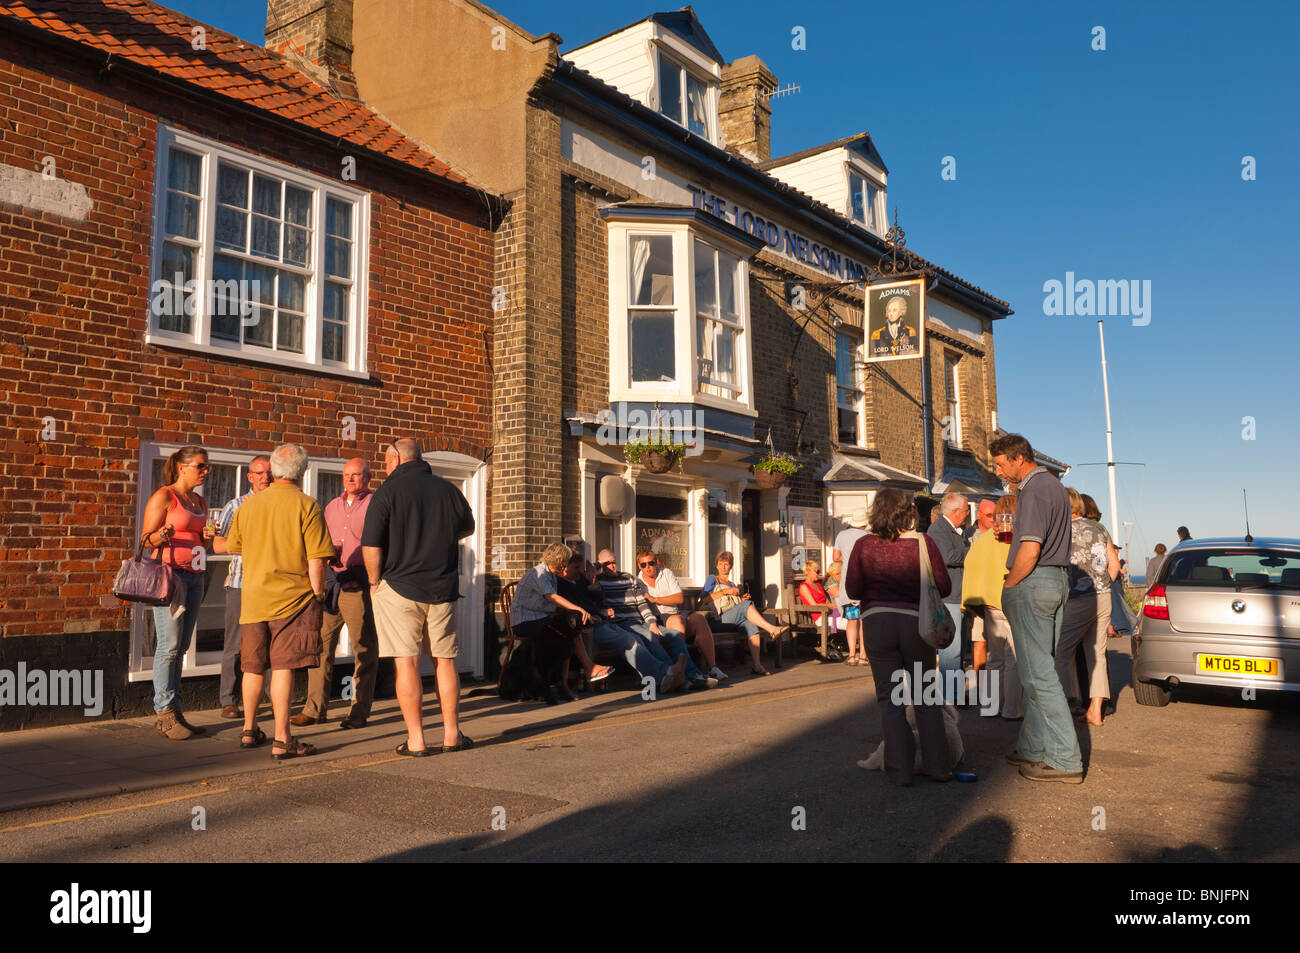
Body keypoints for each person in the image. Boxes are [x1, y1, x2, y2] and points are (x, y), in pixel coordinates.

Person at [362, 438, 475, 756]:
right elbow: (467, 527)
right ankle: (452, 735)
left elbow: (371, 544)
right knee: (444, 661)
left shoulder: (387, 492)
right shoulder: (449, 490)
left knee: (407, 663)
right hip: (442, 587)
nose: (385, 466)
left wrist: (374, 581)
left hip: (399, 587)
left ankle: (416, 740)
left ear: (395, 459)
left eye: (386, 460)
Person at [225, 443, 334, 760]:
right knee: (284, 667)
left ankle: (248, 729)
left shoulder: (249, 506)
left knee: (253, 667)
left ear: (272, 470)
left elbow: (234, 545)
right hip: (293, 599)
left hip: (253, 596)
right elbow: (317, 560)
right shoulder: (307, 505)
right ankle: (283, 738)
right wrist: (318, 594)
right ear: (304, 470)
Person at [844, 488, 952, 785]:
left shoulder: (863, 545)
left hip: (877, 624)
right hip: (917, 625)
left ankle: (899, 770)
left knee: (890, 699)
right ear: (908, 512)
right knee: (926, 696)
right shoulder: (923, 542)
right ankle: (938, 766)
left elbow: (853, 590)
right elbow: (944, 586)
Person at [991, 433, 1083, 783]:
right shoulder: (1055, 486)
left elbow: (1030, 548)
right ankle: (1033, 746)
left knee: (1038, 674)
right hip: (1056, 580)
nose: (999, 471)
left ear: (1019, 458)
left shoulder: (1031, 489)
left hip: (1034, 581)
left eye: (1001, 463)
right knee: (1039, 670)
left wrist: (1010, 583)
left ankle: (1064, 758)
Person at [293, 457, 379, 729]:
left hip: (359, 584)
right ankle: (315, 708)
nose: (350, 479)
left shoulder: (376, 504)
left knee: (363, 649)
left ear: (367, 476)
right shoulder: (332, 505)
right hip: (332, 583)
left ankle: (359, 710)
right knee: (320, 647)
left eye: (356, 475)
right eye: (346, 475)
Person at [139, 445, 211, 740]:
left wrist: (206, 539)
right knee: (168, 647)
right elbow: (145, 540)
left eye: (207, 467)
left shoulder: (200, 502)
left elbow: (200, 544)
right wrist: (162, 535)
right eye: (200, 466)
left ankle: (176, 710)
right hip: (169, 577)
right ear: (182, 468)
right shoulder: (164, 496)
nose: (206, 471)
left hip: (194, 576)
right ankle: (164, 714)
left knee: (181, 647)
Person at [509, 544, 614, 702]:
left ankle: (565, 684)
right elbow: (551, 597)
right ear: (559, 560)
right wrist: (577, 609)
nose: (566, 565)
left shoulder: (551, 576)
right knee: (567, 631)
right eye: (565, 561)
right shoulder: (538, 573)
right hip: (525, 621)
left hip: (540, 618)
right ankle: (584, 670)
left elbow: (553, 605)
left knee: (568, 631)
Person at [212, 454, 271, 720]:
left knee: (269, 643)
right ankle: (229, 699)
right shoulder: (235, 506)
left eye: (268, 472)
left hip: (271, 584)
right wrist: (251, 545)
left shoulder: (277, 505)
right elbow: (217, 544)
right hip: (240, 584)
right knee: (235, 644)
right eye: (259, 473)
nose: (265, 477)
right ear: (249, 477)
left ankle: (272, 696)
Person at [1055, 488, 1119, 728]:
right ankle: (1095, 710)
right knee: (1097, 654)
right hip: (1103, 596)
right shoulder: (1100, 529)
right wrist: (1102, 582)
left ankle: (1061, 705)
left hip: (1078, 597)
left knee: (1062, 651)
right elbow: (1114, 565)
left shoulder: (1062, 530)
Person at [592, 550, 688, 696]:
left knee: (673, 635)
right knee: (650, 638)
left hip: (640, 621)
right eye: (607, 563)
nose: (612, 566)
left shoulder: (628, 578)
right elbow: (593, 599)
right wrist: (595, 569)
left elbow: (642, 603)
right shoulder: (598, 581)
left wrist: (652, 622)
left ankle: (690, 675)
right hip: (622, 624)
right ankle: (671, 674)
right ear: (600, 565)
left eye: (613, 562)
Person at [961, 494, 1022, 719]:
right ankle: (1012, 709)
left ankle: (991, 706)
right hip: (1013, 601)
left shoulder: (984, 540)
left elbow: (970, 564)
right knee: (1014, 657)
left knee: (995, 658)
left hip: (990, 605)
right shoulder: (1018, 538)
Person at [634, 551, 718, 688]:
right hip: (656, 617)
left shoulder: (666, 573)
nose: (647, 567)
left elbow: (679, 598)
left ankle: (713, 668)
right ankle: (685, 674)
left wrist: (655, 599)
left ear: (657, 562)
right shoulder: (637, 582)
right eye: (643, 564)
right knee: (677, 623)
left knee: (699, 619)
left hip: (675, 611)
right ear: (639, 566)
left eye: (651, 563)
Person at [699, 551, 787, 677]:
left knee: (751, 625)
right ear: (716, 565)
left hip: (732, 618)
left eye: (726, 564)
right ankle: (772, 629)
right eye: (721, 564)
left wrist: (741, 599)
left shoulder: (733, 584)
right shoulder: (712, 579)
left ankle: (757, 666)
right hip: (718, 620)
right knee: (747, 606)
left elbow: (734, 605)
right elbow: (704, 599)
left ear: (731, 566)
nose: (723, 567)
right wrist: (725, 591)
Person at [927, 493, 970, 700]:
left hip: (956, 595)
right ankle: (949, 696)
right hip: (949, 596)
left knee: (958, 650)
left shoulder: (950, 529)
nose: (968, 514)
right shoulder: (939, 529)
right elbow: (948, 557)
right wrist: (973, 551)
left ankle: (954, 692)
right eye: (966, 510)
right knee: (951, 650)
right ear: (956, 512)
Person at [832, 508, 870, 665]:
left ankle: (851, 656)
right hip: (865, 582)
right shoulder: (869, 537)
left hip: (848, 581)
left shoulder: (841, 535)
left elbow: (835, 558)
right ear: (865, 523)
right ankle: (863, 656)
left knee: (851, 619)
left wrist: (846, 559)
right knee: (864, 621)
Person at [797, 561, 831, 626]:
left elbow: (827, 602)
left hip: (829, 614)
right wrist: (831, 606)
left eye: (819, 571)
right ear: (809, 571)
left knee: (852, 620)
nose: (819, 574)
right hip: (820, 618)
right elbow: (813, 605)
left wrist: (832, 606)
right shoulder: (804, 587)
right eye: (817, 571)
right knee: (850, 623)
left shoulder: (818, 585)